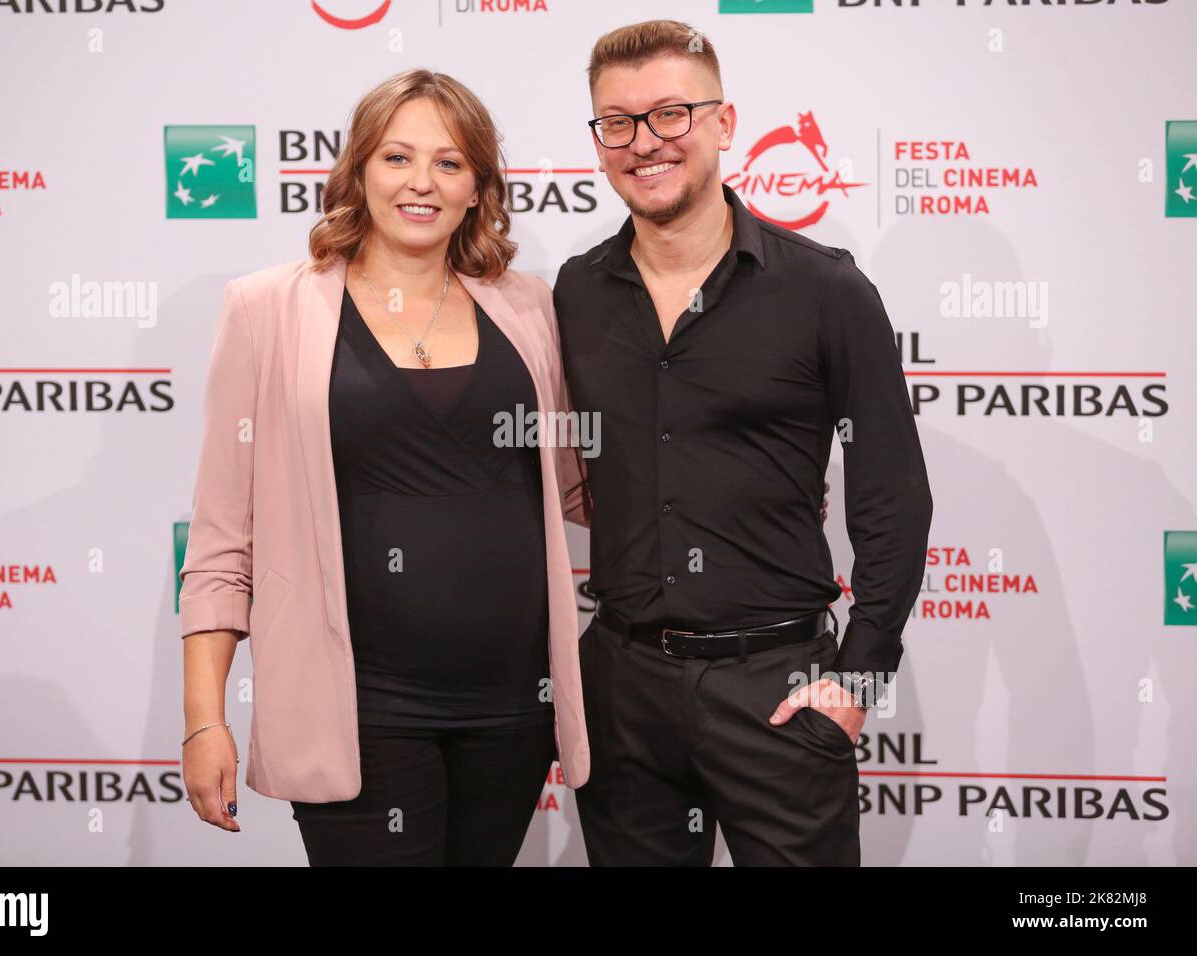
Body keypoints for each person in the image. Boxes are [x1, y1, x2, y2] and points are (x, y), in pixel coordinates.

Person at [176, 68, 591, 866]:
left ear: (478, 187)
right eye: (398, 158)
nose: (422, 183)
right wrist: (205, 718)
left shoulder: (529, 308)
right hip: (356, 711)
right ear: (358, 170)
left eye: (449, 162)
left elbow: (579, 485)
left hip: (512, 707)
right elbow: (224, 536)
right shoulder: (268, 311)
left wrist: (739, 487)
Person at [553, 20, 933, 866]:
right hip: (622, 689)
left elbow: (893, 495)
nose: (644, 143)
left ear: (725, 125)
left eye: (671, 114)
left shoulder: (824, 288)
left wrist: (859, 678)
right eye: (617, 122)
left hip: (781, 688)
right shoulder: (577, 292)